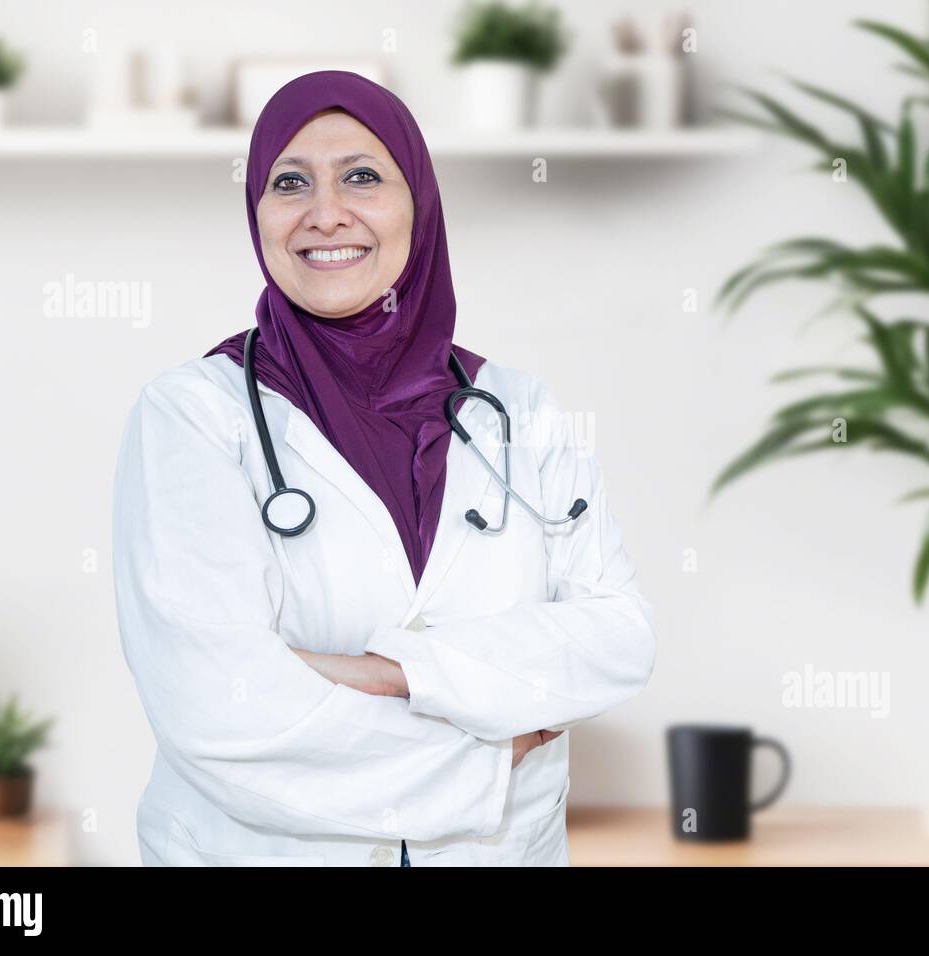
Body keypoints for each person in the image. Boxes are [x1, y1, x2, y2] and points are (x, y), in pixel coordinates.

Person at [111, 71, 655, 867]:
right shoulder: (192, 416)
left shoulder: (519, 411)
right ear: (257, 214)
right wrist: (488, 756)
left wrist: (391, 672)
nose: (326, 213)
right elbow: (219, 708)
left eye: (362, 176)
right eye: (290, 182)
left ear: (420, 204)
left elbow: (618, 638)